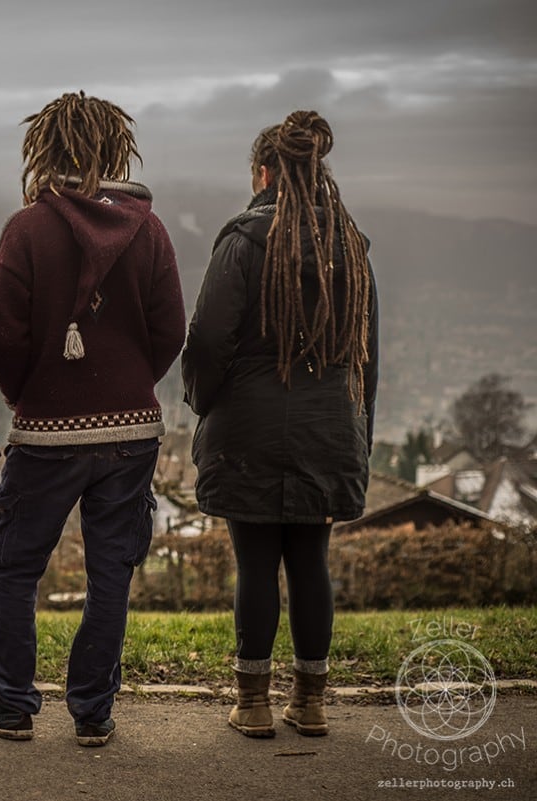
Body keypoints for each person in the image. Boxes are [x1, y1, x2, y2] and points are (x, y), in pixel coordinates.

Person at [0, 92, 186, 747]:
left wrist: (28, 395)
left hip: (48, 432)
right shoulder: (149, 230)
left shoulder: (27, 229)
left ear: (45, 148)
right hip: (132, 432)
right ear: (116, 147)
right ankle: (93, 711)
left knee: (14, 565)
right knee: (110, 571)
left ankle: (12, 704)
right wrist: (129, 382)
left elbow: (1, 334)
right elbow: (170, 329)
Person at [181, 110, 379, 738]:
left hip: (249, 432)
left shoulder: (243, 241)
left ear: (263, 173)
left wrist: (203, 401)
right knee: (311, 561)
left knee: (256, 563)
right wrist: (357, 432)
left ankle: (254, 703)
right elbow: (367, 356)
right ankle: (313, 702)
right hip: (329, 428)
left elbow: (209, 338)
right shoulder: (350, 246)